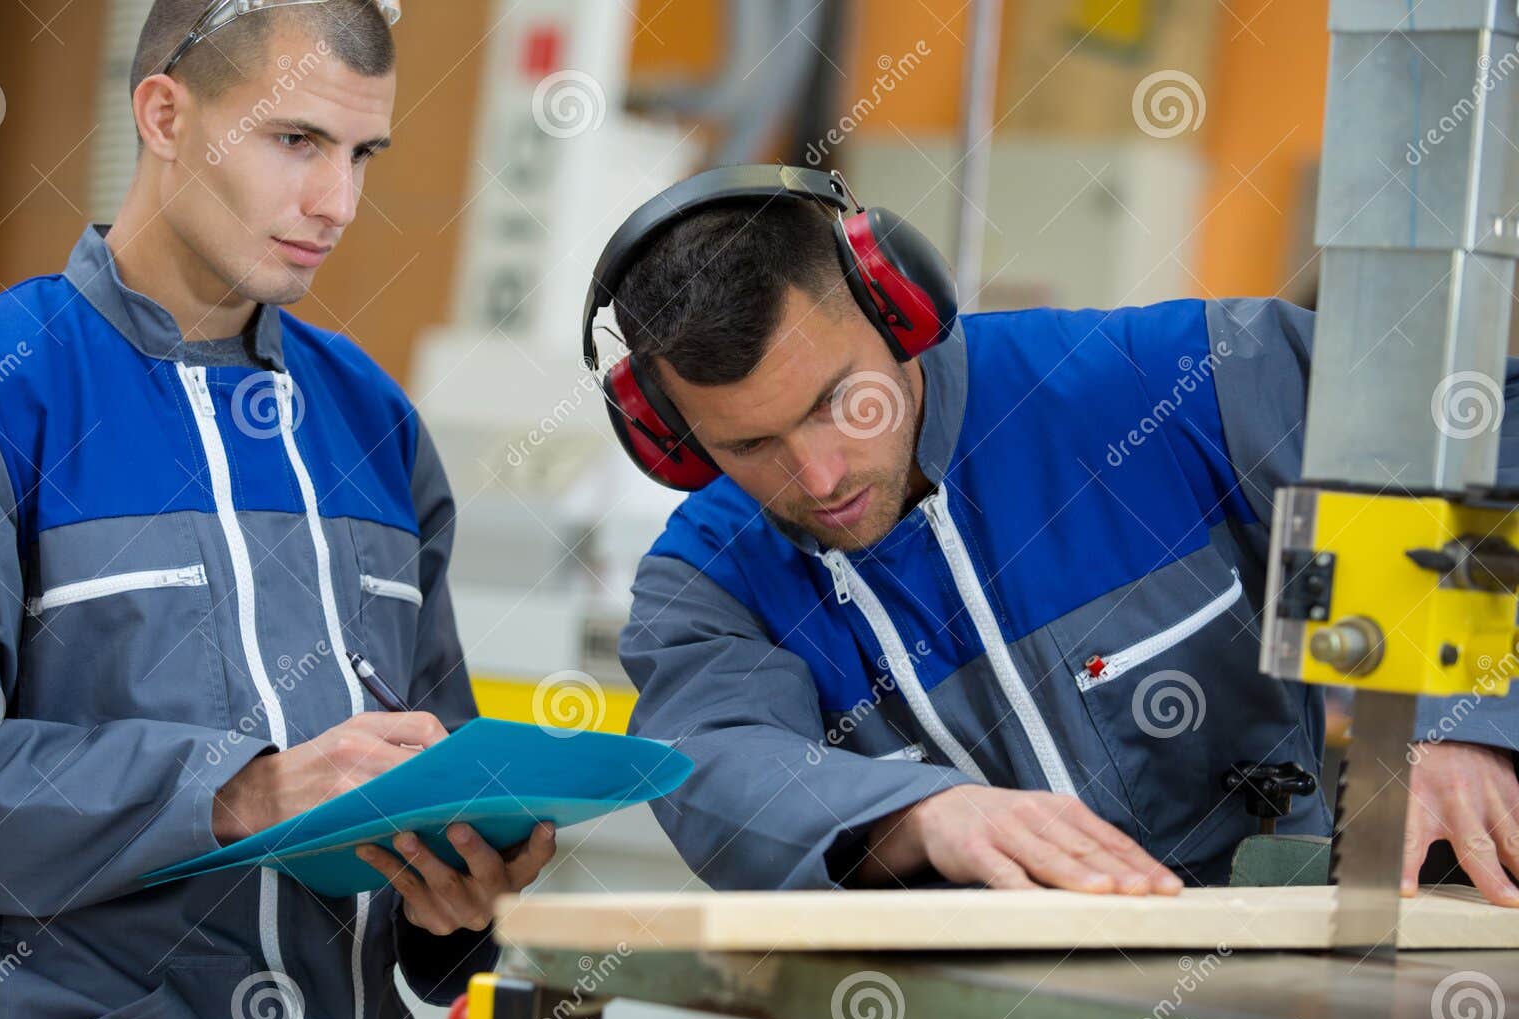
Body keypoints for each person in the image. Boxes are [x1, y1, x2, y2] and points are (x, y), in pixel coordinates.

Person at [599, 165, 1519, 904]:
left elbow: (1471, 427)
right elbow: (711, 763)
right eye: (750, 444)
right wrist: (919, 819)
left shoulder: (1164, 386)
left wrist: (1454, 708)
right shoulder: (707, 575)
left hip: (1268, 989)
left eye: (840, 402)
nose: (821, 475)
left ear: (897, 310)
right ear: (670, 436)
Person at [0, 0, 553, 1019]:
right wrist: (236, 791)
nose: (337, 201)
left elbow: (434, 776)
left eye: (362, 153)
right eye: (295, 141)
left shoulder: (374, 423)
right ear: (164, 115)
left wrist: (458, 897)